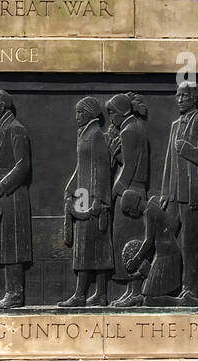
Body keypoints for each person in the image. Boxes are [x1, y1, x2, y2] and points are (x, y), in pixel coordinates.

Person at [160, 82, 198, 301]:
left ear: (194, 98)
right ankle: (164, 284)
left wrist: (184, 147)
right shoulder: (175, 125)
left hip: (192, 193)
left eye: (184, 96)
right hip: (173, 194)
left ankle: (189, 288)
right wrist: (165, 191)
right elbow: (168, 161)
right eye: (178, 95)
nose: (179, 99)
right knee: (165, 240)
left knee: (190, 244)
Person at [60, 96, 114, 308]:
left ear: (91, 113)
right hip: (83, 194)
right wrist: (70, 188)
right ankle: (85, 293)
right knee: (84, 246)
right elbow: (81, 166)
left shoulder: (96, 135)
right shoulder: (83, 135)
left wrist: (99, 200)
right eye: (76, 113)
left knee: (96, 246)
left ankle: (95, 294)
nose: (77, 117)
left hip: (93, 199)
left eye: (80, 113)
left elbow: (101, 169)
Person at [0, 90, 32, 309]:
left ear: (3, 106)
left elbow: (22, 165)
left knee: (11, 246)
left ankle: (15, 293)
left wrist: (2, 186)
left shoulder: (16, 129)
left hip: (11, 195)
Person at [107, 93, 149, 306]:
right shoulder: (138, 127)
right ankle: (131, 291)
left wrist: (115, 191)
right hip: (138, 190)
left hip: (129, 193)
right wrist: (118, 155)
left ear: (121, 112)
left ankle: (135, 293)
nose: (110, 118)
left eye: (112, 113)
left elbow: (129, 167)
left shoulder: (128, 130)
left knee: (128, 243)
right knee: (131, 241)